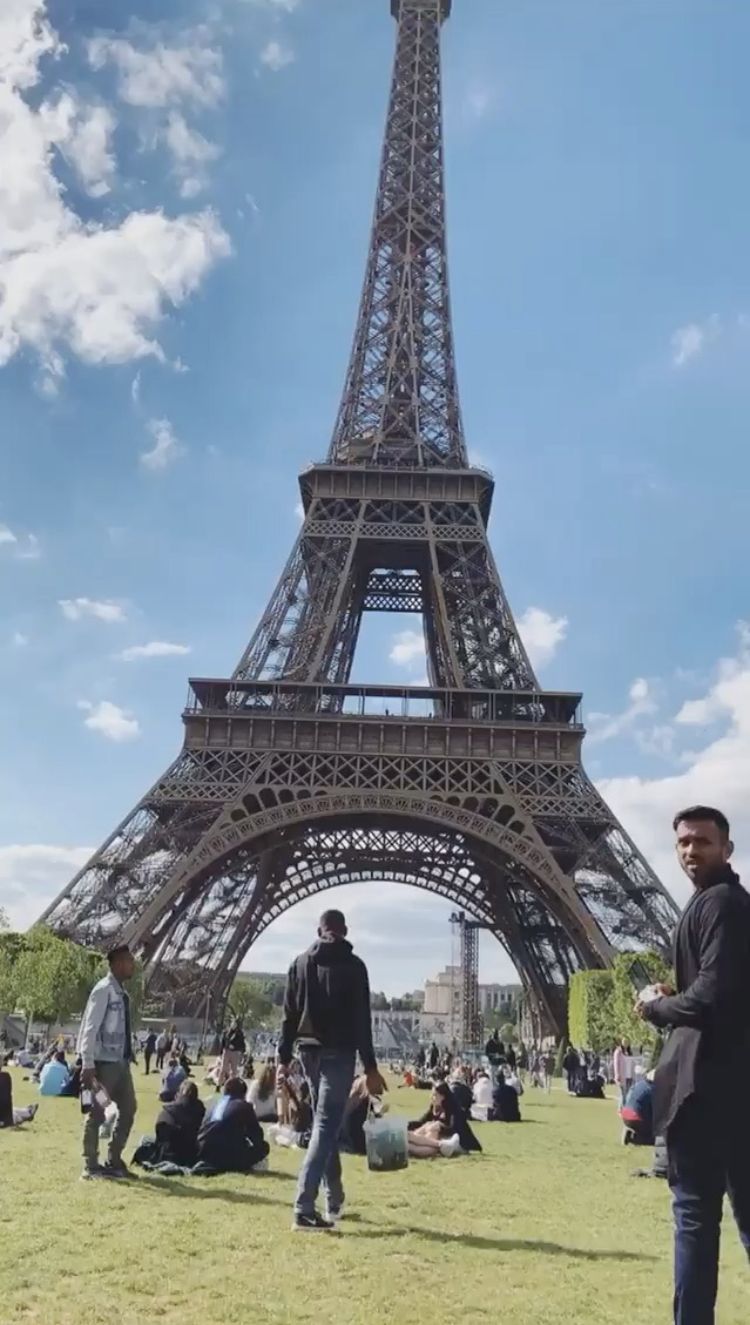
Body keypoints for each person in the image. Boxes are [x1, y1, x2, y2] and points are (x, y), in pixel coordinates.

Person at [636, 805, 750, 1325]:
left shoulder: (721, 904)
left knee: (695, 1223)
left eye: (703, 841)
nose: (690, 850)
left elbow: (709, 999)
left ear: (727, 848)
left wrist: (656, 1006)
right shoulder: (713, 904)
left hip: (708, 1093)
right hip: (726, 1089)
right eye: (683, 842)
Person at [277, 908, 387, 1232]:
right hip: (339, 1053)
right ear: (345, 930)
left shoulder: (298, 963)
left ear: (319, 928)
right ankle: (304, 1208)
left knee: (326, 1124)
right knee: (326, 1126)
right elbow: (361, 1020)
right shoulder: (354, 966)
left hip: (308, 1051)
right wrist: (370, 1067)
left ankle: (334, 1197)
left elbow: (288, 1016)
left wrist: (282, 1058)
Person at [77, 942, 138, 1181]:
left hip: (120, 1064)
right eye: (128, 961)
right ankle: (90, 1165)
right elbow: (89, 1028)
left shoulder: (121, 993)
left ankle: (113, 1160)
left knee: (129, 1108)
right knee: (97, 1112)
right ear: (117, 964)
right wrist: (87, 1063)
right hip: (103, 1066)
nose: (132, 965)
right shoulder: (103, 990)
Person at [196, 1077, 269, 1173]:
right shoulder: (244, 1106)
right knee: (264, 1147)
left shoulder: (214, 1103)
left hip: (203, 1151)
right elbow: (257, 1136)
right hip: (226, 1155)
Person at [155, 1080, 206, 1167]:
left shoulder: (167, 1111)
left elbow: (160, 1135)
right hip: (193, 1154)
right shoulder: (201, 1111)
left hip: (170, 1154)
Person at [0, 1055, 39, 1127]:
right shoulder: (5, 1077)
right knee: (15, 1116)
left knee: (12, 1111)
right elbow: (5, 1101)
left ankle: (27, 1111)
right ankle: (27, 1112)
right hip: (4, 1118)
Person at [621, 1070, 655, 1147]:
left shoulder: (639, 1084)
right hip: (636, 1117)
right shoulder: (652, 1089)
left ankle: (633, 1134)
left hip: (626, 1114)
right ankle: (633, 1138)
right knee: (656, 1138)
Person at [219, 1019, 246, 1087]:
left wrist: (237, 1048)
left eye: (235, 1024)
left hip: (235, 1052)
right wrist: (221, 1051)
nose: (233, 1025)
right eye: (233, 1023)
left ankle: (231, 1086)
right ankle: (219, 1084)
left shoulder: (240, 1033)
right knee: (223, 1069)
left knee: (234, 1070)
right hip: (227, 1051)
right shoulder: (226, 1032)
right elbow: (223, 1042)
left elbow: (242, 1044)